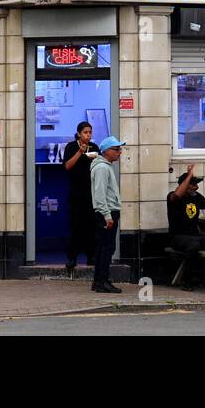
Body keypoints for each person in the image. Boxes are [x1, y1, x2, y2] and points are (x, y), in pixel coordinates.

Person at [166, 165, 205, 290]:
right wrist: (189, 176)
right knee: (193, 246)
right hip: (178, 237)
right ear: (186, 185)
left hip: (196, 235)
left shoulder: (196, 196)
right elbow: (177, 195)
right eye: (193, 184)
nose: (197, 187)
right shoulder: (173, 196)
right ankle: (188, 280)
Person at [89, 136, 125, 293]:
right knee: (106, 248)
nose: (119, 152)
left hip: (108, 212)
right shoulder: (102, 168)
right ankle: (102, 281)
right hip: (107, 213)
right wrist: (107, 216)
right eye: (116, 149)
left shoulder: (105, 166)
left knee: (103, 248)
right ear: (106, 151)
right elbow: (100, 194)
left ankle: (99, 281)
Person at [61, 121, 98, 275]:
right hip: (76, 192)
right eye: (85, 132)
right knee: (76, 225)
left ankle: (91, 256)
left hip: (92, 192)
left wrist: (93, 159)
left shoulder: (94, 148)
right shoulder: (71, 147)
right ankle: (72, 257)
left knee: (92, 225)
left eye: (90, 132)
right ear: (78, 134)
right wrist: (79, 153)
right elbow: (67, 166)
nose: (88, 135)